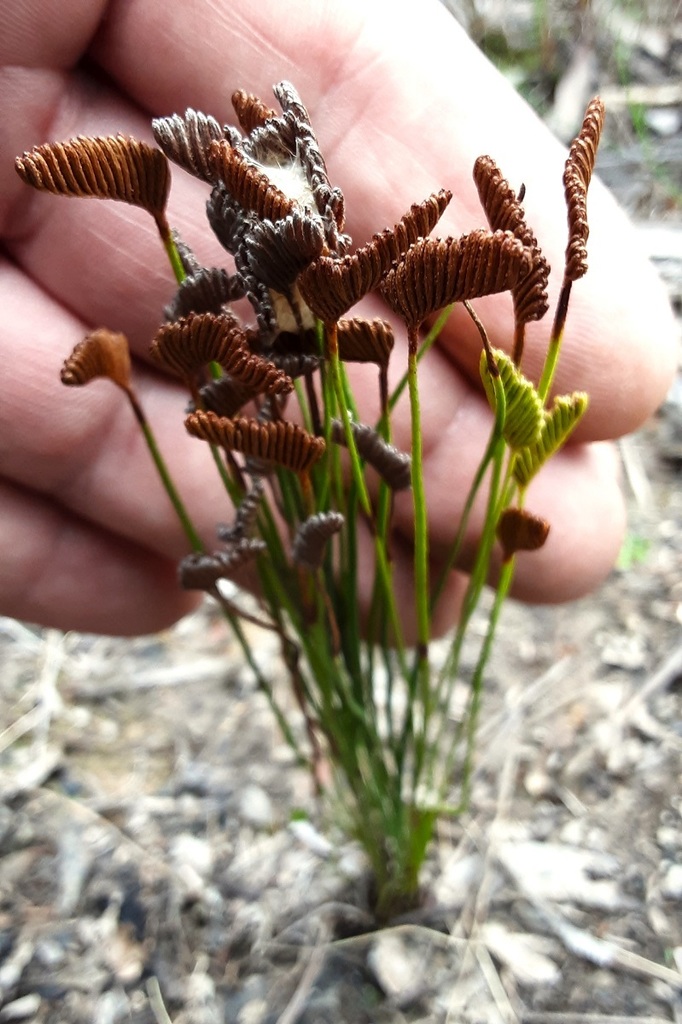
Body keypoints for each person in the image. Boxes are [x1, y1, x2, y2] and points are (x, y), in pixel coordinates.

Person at [0, 0, 677, 637]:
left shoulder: (341, 283)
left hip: (315, 333)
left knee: (363, 469)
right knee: (297, 469)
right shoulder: (259, 281)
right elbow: (224, 298)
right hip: (279, 340)